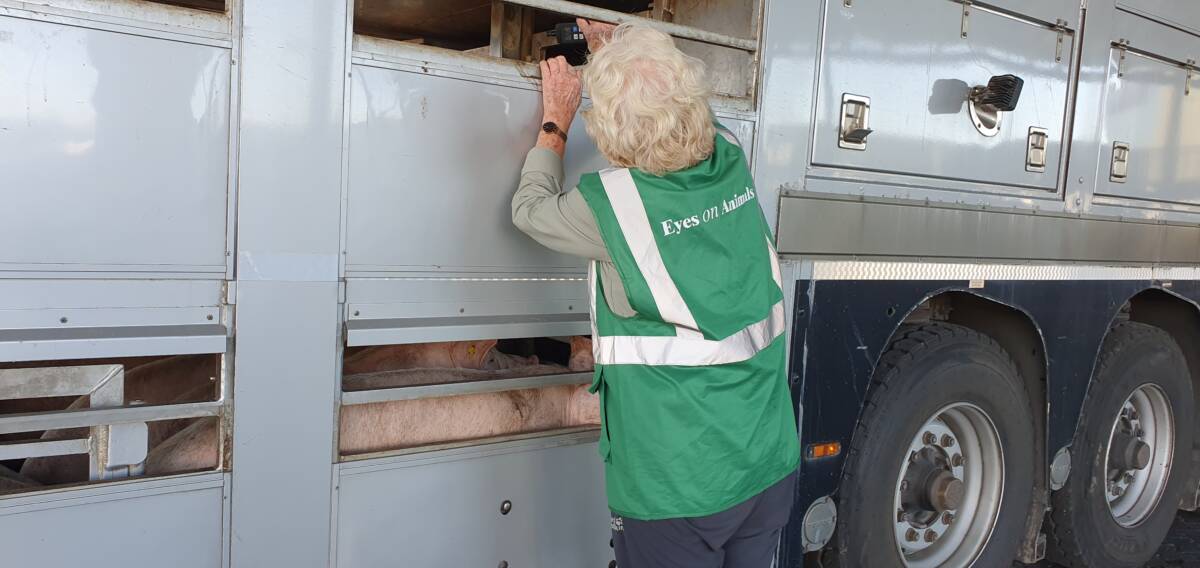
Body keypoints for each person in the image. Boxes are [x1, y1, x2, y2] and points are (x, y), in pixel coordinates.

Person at [512, 20, 800, 568]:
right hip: (765, 465)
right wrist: (619, 53)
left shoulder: (610, 209)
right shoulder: (730, 158)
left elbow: (529, 211)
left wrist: (556, 122)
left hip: (678, 489)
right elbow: (682, 112)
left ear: (613, 132)